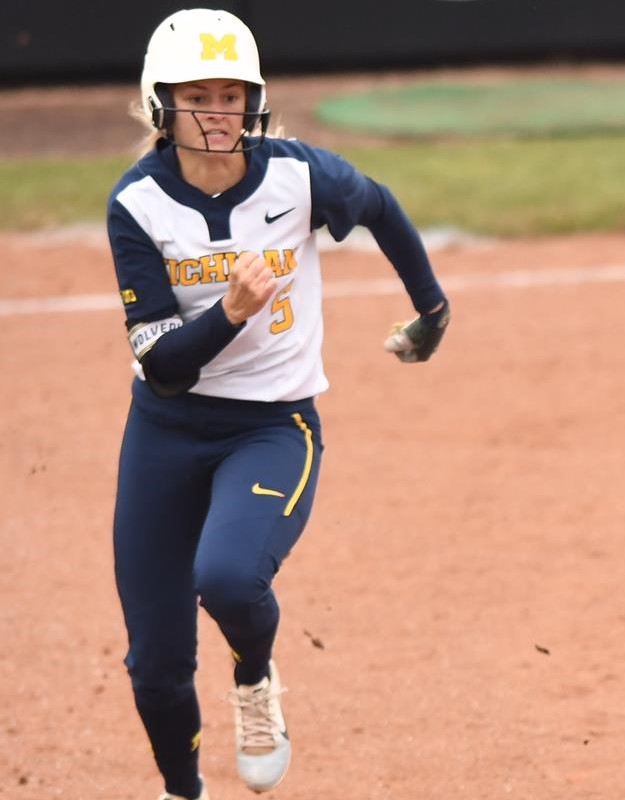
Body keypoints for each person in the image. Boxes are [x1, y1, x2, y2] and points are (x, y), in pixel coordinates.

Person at [107, 9, 451, 799]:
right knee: (155, 661)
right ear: (160, 103)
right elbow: (161, 367)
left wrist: (432, 311)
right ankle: (181, 790)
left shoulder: (299, 176)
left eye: (233, 95)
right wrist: (229, 312)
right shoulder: (138, 205)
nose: (219, 113)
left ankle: (255, 681)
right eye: (199, 96)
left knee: (227, 580)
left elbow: (381, 207)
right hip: (165, 431)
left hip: (272, 425)